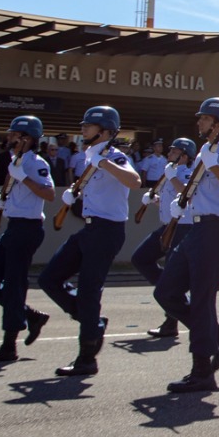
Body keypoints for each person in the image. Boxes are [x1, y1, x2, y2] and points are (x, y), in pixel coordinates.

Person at [154, 97, 219, 393]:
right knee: (166, 291)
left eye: (205, 119)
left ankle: (202, 371)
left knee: (201, 298)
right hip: (195, 228)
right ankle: (216, 333)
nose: (199, 123)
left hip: (218, 231)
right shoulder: (206, 153)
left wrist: (216, 168)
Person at [38, 106, 138, 378]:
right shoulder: (89, 157)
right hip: (90, 228)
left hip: (108, 231)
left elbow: (134, 181)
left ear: (105, 131)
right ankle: (92, 324)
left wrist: (102, 162)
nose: (82, 130)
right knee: (48, 278)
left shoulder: (112, 156)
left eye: (88, 126)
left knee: (89, 291)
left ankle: (86, 359)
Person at [0, 115, 55, 362]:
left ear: (26, 138)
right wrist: (3, 198)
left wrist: (23, 177)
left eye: (13, 134)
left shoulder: (36, 163)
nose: (9, 138)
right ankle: (30, 315)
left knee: (13, 285)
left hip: (27, 229)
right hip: (13, 227)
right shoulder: (15, 162)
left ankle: (9, 346)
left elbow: (49, 193)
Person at [135, 137, 196, 339]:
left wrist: (172, 178)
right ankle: (170, 292)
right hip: (167, 226)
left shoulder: (187, 173)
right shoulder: (170, 173)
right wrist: (155, 200)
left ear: (184, 156)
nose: (169, 154)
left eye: (174, 151)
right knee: (140, 258)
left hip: (182, 228)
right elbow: (173, 199)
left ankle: (171, 321)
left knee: (172, 271)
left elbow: (188, 195)